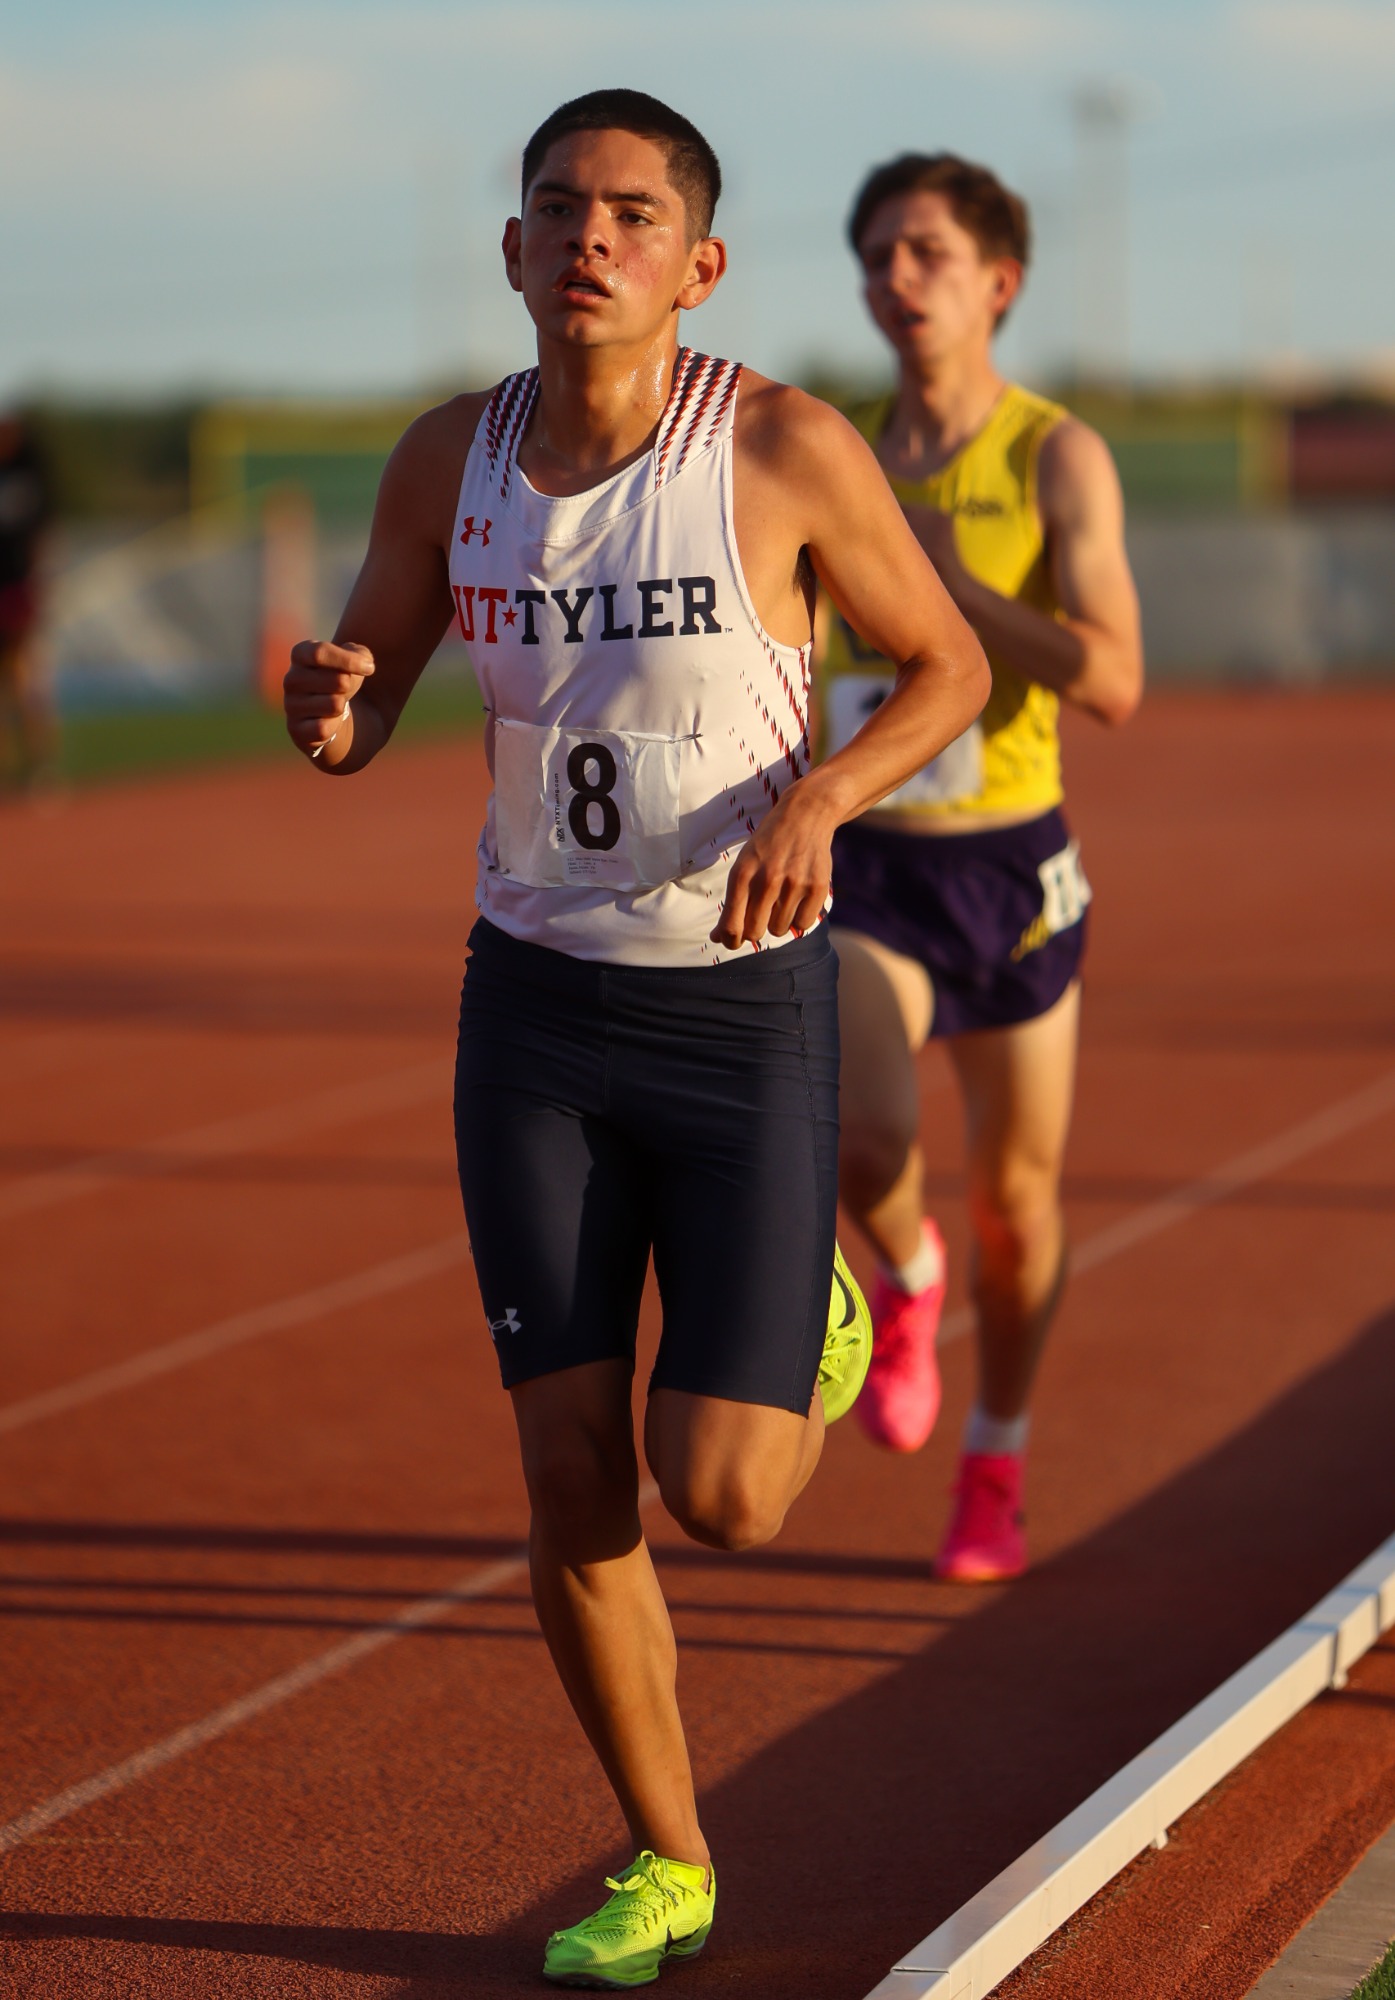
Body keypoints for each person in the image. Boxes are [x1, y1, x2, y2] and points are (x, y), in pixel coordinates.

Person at [284, 92, 987, 1989]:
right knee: (571, 1474)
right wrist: (329, 709)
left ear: (699, 262)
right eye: (556, 207)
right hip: (532, 1013)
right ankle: (669, 1862)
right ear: (512, 249)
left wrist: (823, 795)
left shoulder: (778, 446)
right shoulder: (449, 458)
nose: (588, 236)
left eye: (630, 213)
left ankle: (820, 1308)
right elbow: (364, 699)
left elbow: (949, 668)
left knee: (727, 1499)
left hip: (741, 1009)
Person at [821, 153, 1143, 1583]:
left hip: (1009, 872)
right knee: (865, 1139)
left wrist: (954, 595)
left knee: (1017, 1209)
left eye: (926, 253)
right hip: (868, 865)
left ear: (997, 283)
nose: (895, 277)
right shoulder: (830, 457)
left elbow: (1114, 680)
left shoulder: (1053, 457)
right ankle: (905, 1276)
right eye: (876, 254)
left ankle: (995, 1455)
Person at [0, 412, 58, 794]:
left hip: (19, 585)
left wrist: (42, 580)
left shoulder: (32, 475)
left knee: (23, 675)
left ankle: (39, 766)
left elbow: (46, 534)